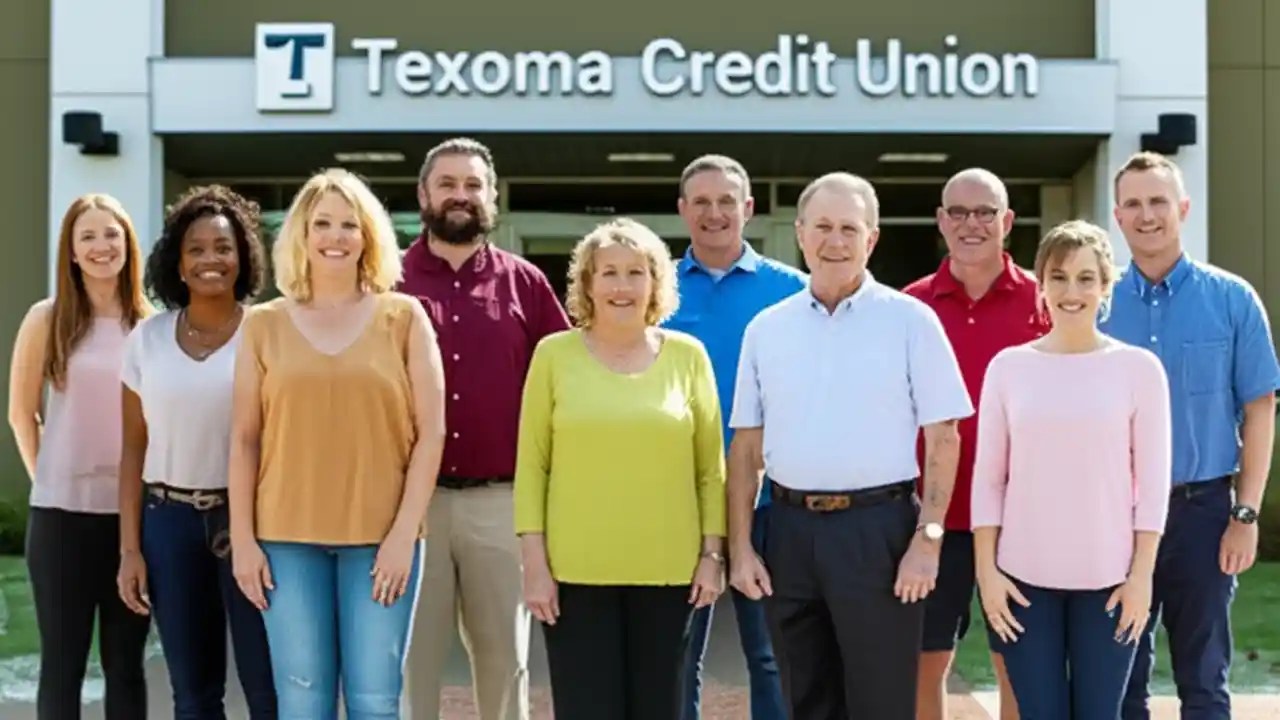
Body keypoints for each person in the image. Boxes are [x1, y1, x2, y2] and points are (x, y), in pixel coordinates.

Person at [728, 172, 973, 719]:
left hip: (879, 534)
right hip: (789, 533)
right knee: (804, 698)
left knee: (880, 702)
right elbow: (745, 448)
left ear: (872, 239)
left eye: (848, 228)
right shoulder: (767, 329)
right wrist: (741, 547)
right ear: (799, 233)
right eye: (822, 227)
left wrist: (928, 540)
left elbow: (943, 438)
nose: (834, 241)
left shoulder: (911, 321)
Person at [228, 168, 447, 718]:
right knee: (302, 700)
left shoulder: (404, 317)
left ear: (368, 236)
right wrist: (243, 542)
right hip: (283, 539)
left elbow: (432, 434)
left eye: (350, 225)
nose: (335, 236)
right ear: (301, 234)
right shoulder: (262, 324)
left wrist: (403, 536)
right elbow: (244, 439)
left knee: (376, 701)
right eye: (322, 223)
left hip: (382, 542)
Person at [514, 217, 727, 719]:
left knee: (662, 708)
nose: (622, 286)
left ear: (656, 283)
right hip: (575, 575)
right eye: (609, 272)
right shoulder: (553, 355)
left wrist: (712, 555)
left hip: (669, 574)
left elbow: (709, 468)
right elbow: (533, 464)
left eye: (637, 272)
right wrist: (534, 563)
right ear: (587, 283)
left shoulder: (688, 357)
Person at [1102, 152, 1280, 720]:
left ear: (1182, 209)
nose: (1147, 214)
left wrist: (1245, 515)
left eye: (1158, 201)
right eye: (1134, 203)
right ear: (1118, 216)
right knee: (1118, 677)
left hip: (1202, 513)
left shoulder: (1232, 300)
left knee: (1204, 680)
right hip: (1115, 516)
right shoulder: (1096, 306)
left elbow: (1260, 409)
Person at [398, 137, 570, 720]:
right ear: (423, 195)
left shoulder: (525, 283)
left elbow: (560, 390)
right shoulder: (385, 284)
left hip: (502, 503)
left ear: (492, 197)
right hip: (408, 509)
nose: (460, 196)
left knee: (505, 662)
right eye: (447, 184)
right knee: (408, 663)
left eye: (473, 186)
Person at [972, 219, 1172, 718]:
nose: (1071, 291)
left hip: (1110, 583)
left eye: (1086, 278)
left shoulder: (1139, 370)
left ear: (1106, 287)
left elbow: (1152, 486)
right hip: (1022, 582)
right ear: (1041, 285)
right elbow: (988, 478)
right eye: (1058, 277)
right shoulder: (1007, 368)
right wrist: (987, 575)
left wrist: (1141, 577)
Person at [116, 185, 277, 718]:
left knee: (267, 684)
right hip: (169, 523)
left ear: (243, 257)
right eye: (197, 249)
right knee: (193, 693)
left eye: (224, 247)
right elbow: (133, 449)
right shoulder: (147, 338)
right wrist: (131, 550)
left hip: (253, 523)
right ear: (178, 264)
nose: (212, 259)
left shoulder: (268, 331)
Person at [902, 168, 1047, 720]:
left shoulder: (1044, 301)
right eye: (958, 212)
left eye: (985, 212)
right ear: (941, 222)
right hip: (929, 519)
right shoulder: (910, 307)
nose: (971, 224)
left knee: (1017, 659)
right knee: (926, 659)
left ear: (1007, 222)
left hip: (1019, 518)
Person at [663, 154, 804, 720]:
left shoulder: (791, 290)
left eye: (726, 201)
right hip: (676, 502)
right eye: (701, 201)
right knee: (676, 655)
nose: (714, 213)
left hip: (768, 504)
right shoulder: (654, 288)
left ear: (748, 209)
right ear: (682, 211)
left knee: (771, 656)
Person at [7, 193, 152, 719]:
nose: (100, 246)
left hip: (132, 524)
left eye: (111, 234)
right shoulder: (45, 320)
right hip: (61, 522)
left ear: (127, 244)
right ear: (70, 251)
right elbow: (22, 414)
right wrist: (47, 480)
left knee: (125, 665)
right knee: (62, 666)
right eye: (87, 236)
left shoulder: (151, 326)